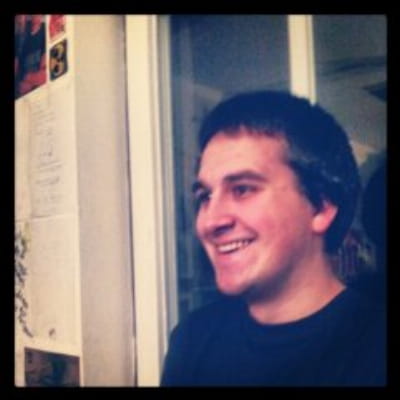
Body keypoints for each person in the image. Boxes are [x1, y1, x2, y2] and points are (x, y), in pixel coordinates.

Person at [161, 91, 386, 386]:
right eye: (205, 197)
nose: (210, 221)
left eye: (242, 189)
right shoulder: (192, 340)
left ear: (320, 206)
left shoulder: (375, 349)